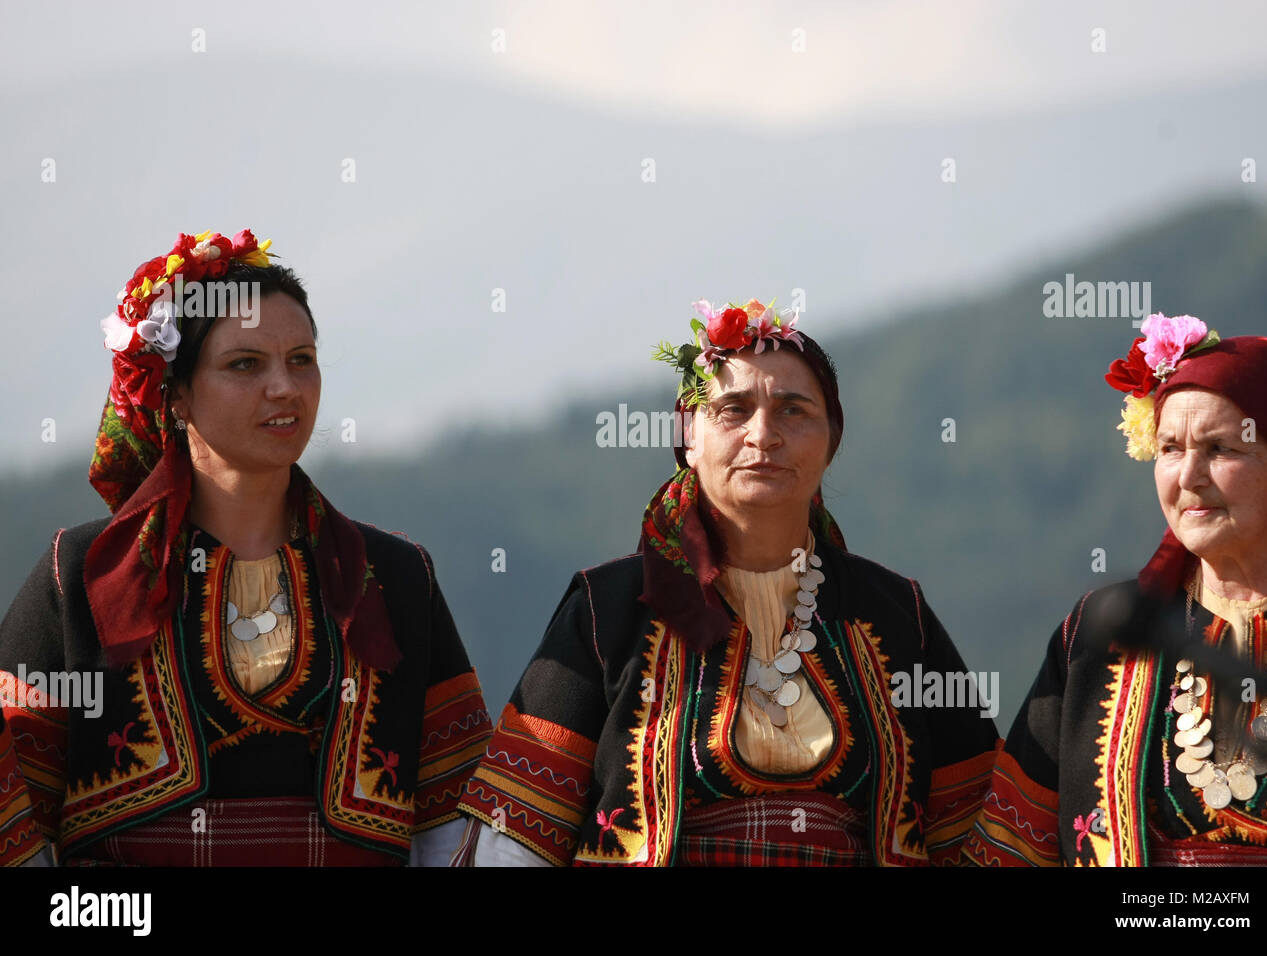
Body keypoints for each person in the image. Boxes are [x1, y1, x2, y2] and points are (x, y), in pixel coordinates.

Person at [0, 230, 491, 866]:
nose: (284, 388)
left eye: (302, 359)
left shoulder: (394, 577)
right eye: (245, 365)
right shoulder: (84, 575)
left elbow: (456, 827)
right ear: (176, 395)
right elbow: (16, 824)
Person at [455, 298, 999, 866]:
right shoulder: (606, 611)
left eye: (793, 411)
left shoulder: (894, 613)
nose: (763, 435)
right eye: (733, 410)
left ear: (831, 441)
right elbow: (512, 837)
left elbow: (975, 828)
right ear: (689, 441)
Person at [965, 316, 1267, 866]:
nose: (1188, 476)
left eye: (1219, 449)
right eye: (1170, 448)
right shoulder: (1101, 631)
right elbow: (1013, 847)